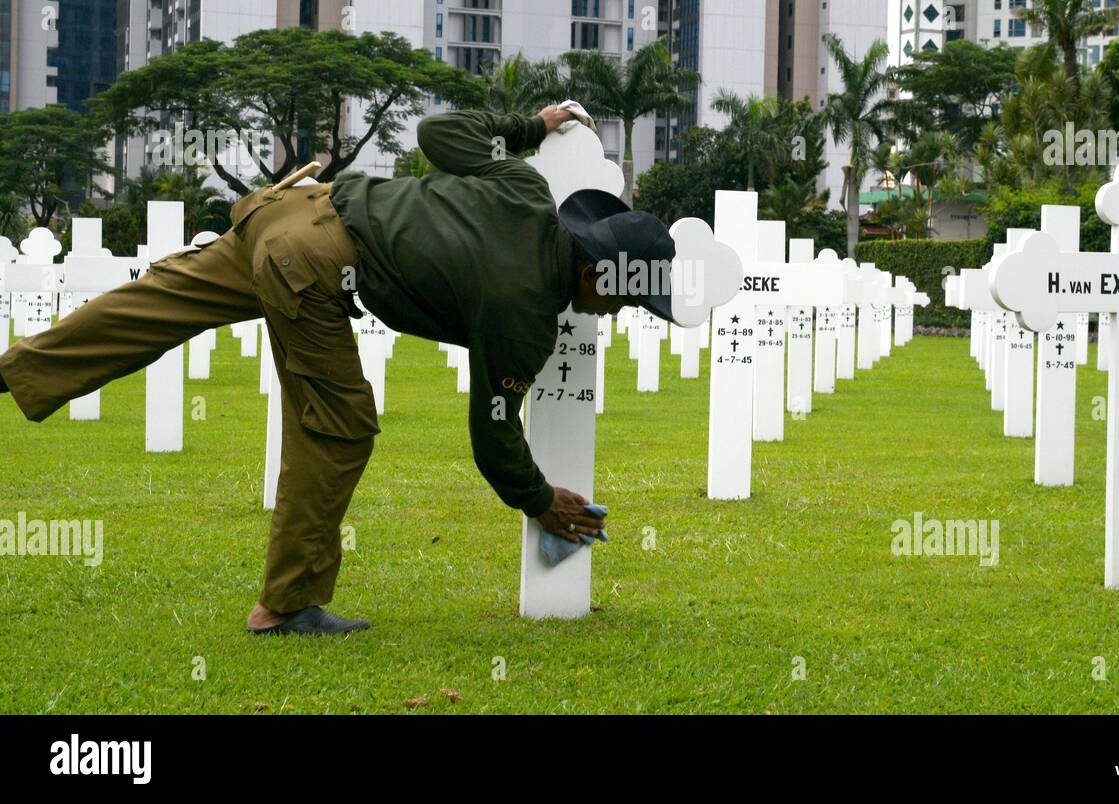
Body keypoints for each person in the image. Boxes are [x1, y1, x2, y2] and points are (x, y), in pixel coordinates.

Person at [0, 104, 680, 636]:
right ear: (595, 269)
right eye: (625, 296)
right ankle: (286, 605)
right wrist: (539, 499)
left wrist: (532, 126)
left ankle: (16, 371)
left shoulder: (523, 184)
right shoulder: (524, 311)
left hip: (290, 208)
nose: (620, 313)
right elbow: (494, 433)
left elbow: (441, 131)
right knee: (340, 428)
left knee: (158, 303)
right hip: (315, 268)